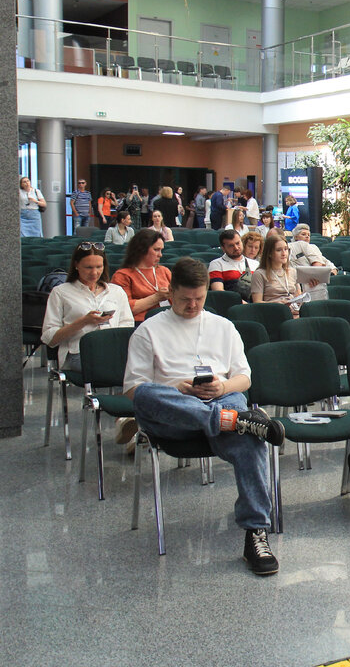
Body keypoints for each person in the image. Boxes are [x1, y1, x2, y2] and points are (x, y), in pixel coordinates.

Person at [122, 257, 283, 577]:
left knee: (248, 434)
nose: (193, 305)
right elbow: (133, 389)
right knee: (148, 395)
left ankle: (255, 534)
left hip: (221, 399)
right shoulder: (148, 331)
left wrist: (221, 386)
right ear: (170, 293)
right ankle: (231, 420)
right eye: (185, 299)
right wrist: (176, 387)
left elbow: (244, 379)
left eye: (199, 298)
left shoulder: (222, 327)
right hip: (173, 414)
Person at [43, 241, 137, 448]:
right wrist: (82, 322)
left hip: (114, 354)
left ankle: (132, 425)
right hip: (77, 355)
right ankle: (126, 421)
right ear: (76, 265)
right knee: (128, 373)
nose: (94, 272)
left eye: (99, 267)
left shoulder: (116, 292)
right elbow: (49, 337)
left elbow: (127, 326)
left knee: (146, 372)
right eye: (88, 267)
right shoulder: (61, 292)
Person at [111, 228, 172, 323]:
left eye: (161, 250)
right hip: (140, 324)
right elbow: (125, 309)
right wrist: (157, 297)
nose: (160, 255)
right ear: (142, 250)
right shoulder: (123, 275)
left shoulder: (164, 271)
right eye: (156, 250)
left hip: (168, 321)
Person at [250, 234, 303, 313]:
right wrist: (276, 304)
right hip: (273, 312)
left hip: (293, 312)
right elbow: (257, 302)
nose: (284, 253)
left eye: (286, 249)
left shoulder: (293, 271)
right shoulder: (259, 274)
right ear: (270, 253)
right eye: (279, 250)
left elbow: (298, 296)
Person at [208, 228, 259, 293]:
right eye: (231, 246)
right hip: (231, 302)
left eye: (238, 243)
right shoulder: (216, 264)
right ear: (223, 248)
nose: (236, 248)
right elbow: (219, 293)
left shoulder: (255, 264)